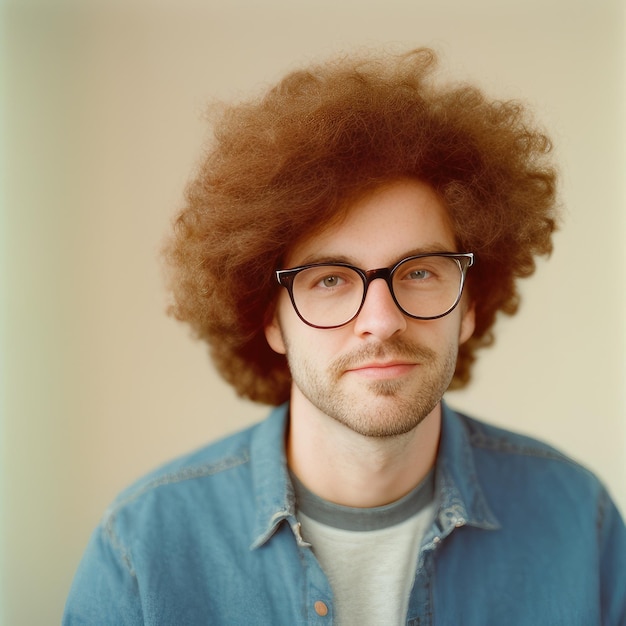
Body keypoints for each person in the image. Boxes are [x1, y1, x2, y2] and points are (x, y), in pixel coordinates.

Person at [63, 48, 626, 625]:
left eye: (420, 272)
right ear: (269, 318)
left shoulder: (581, 523)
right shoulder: (142, 550)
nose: (381, 320)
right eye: (330, 279)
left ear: (471, 305)